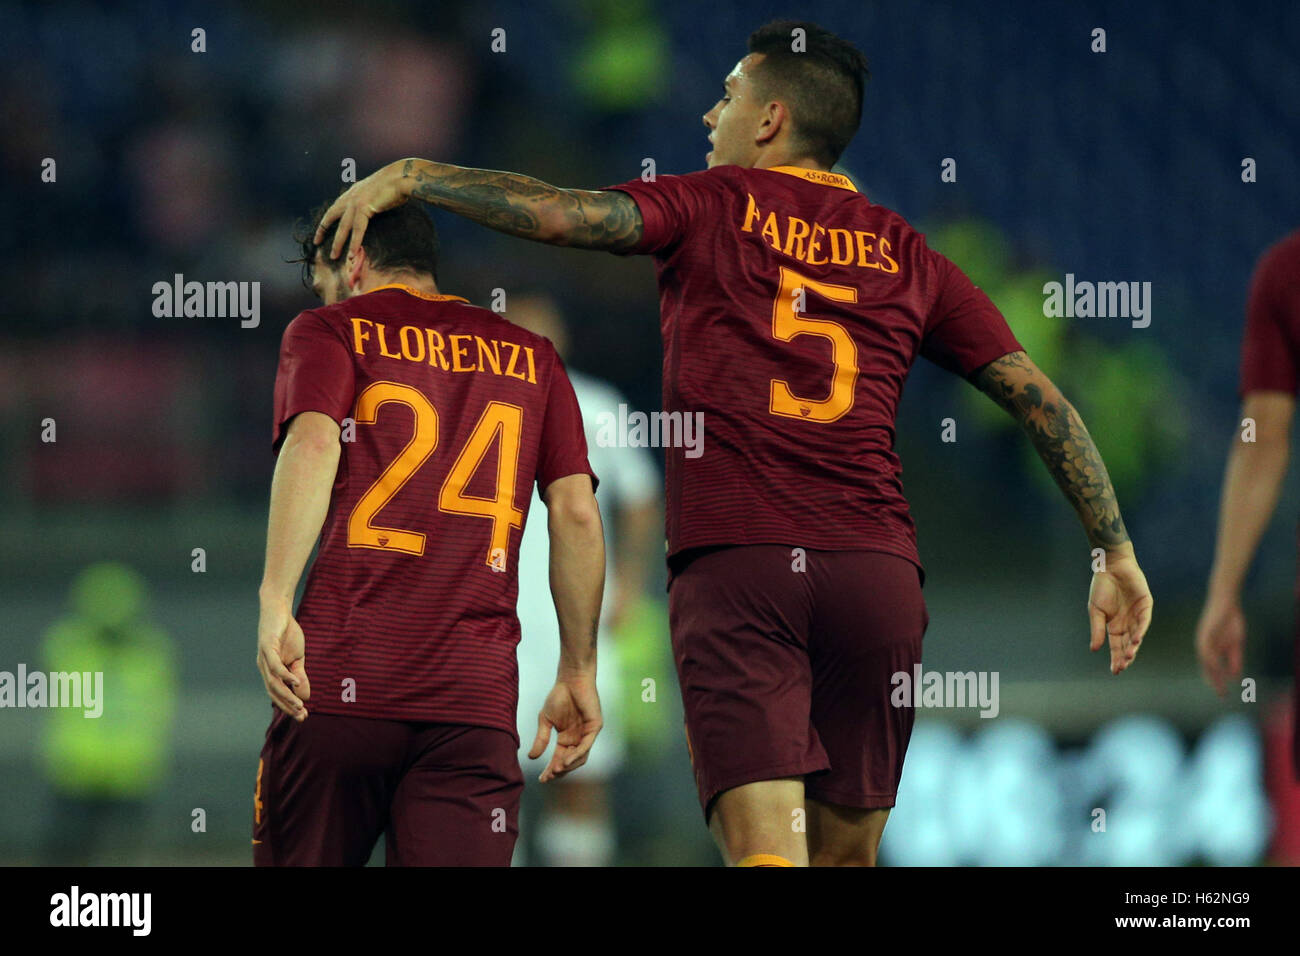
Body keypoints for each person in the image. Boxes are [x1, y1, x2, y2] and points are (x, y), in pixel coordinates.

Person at [315, 19, 1153, 867]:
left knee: (765, 858)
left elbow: (566, 217)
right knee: (845, 860)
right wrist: (1112, 549)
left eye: (726, 96)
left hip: (741, 570)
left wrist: (419, 174)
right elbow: (1042, 402)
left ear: (770, 120)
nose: (709, 115)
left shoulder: (710, 205)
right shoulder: (911, 254)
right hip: (876, 576)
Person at [253, 200, 605, 866]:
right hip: (471, 705)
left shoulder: (331, 329)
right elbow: (578, 511)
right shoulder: (532, 355)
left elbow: (313, 443)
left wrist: (275, 599)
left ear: (352, 260)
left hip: (342, 678)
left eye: (327, 281)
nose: (328, 296)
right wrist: (578, 669)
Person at [508, 292, 661, 866]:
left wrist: (628, 586)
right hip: (497, 619)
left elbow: (640, 497)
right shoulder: (474, 402)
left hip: (579, 622)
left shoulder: (596, 404)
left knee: (582, 772)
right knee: (490, 779)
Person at [1197, 227, 1300, 777]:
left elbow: (1261, 441)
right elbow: (1261, 441)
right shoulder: (1285, 274)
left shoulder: (1287, 271)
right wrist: (1224, 588)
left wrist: (1225, 590)